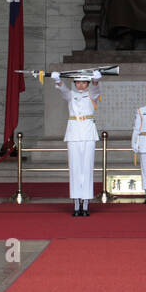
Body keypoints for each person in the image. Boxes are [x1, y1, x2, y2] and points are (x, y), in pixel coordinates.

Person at [54, 70, 101, 217]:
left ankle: (86, 203)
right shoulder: (71, 95)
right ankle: (76, 203)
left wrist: (95, 81)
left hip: (88, 132)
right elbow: (63, 90)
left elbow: (95, 90)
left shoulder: (91, 94)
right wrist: (57, 80)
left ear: (87, 84)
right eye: (78, 82)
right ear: (75, 83)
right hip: (74, 133)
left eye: (84, 83)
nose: (81, 85)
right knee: (75, 168)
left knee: (87, 168)